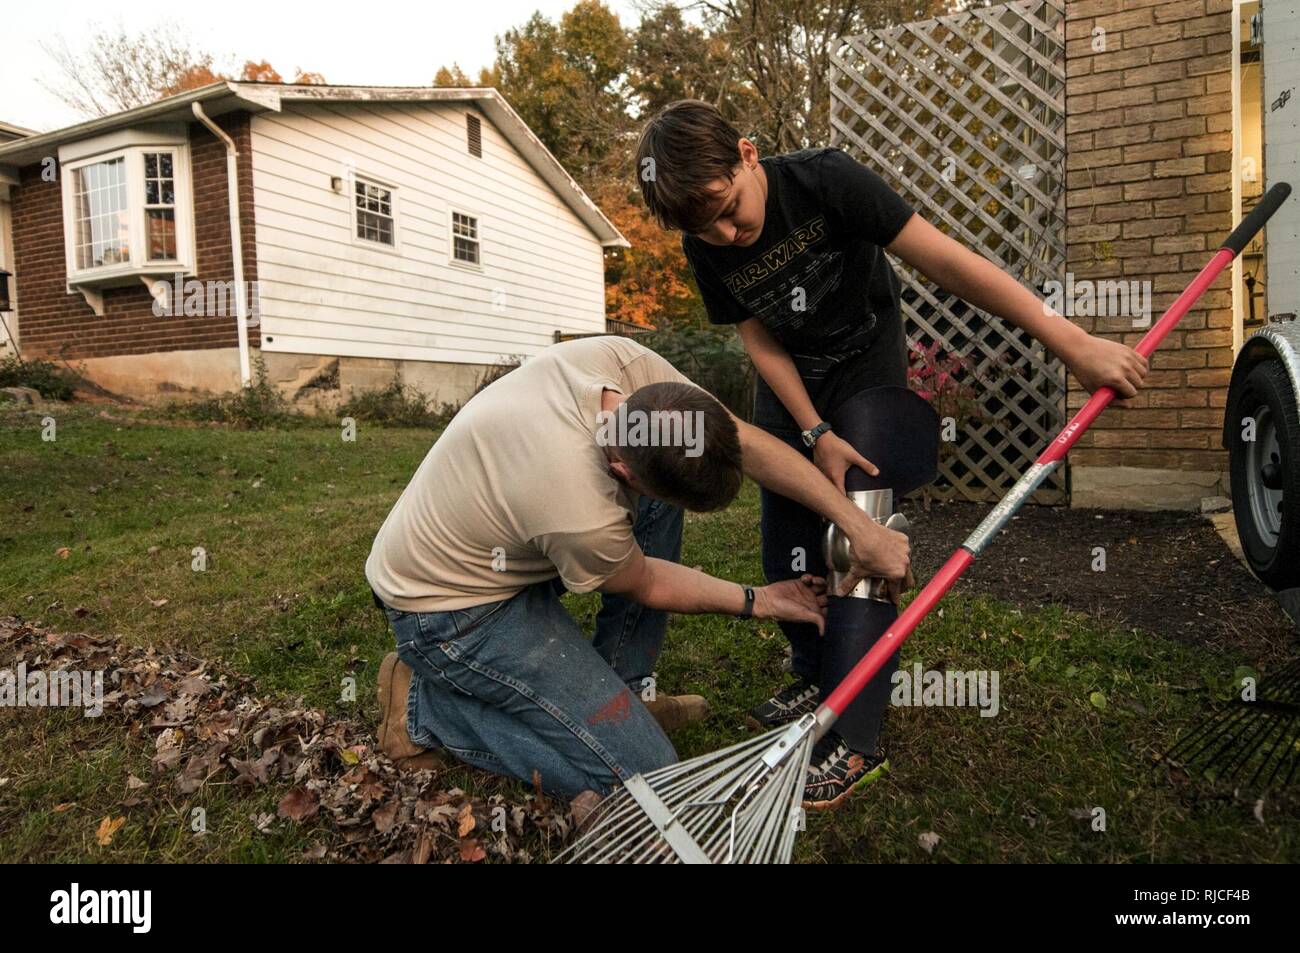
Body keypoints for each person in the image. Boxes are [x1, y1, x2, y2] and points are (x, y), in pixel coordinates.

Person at [635, 99, 1149, 802]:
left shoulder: (827, 181)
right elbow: (757, 334)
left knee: (861, 542)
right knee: (787, 540)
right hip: (792, 384)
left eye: (729, 209)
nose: (726, 234)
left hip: (864, 362)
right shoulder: (705, 242)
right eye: (706, 228)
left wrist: (1071, 342)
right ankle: (817, 676)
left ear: (748, 154)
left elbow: (947, 261)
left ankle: (856, 737)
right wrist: (814, 432)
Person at [365, 334, 910, 820]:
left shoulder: (629, 370)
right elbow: (646, 581)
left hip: (497, 539)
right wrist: (761, 601)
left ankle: (624, 687)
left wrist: (857, 525)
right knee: (646, 776)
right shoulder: (578, 507)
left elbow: (740, 438)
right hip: (450, 612)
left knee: (656, 502)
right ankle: (424, 709)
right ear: (621, 471)